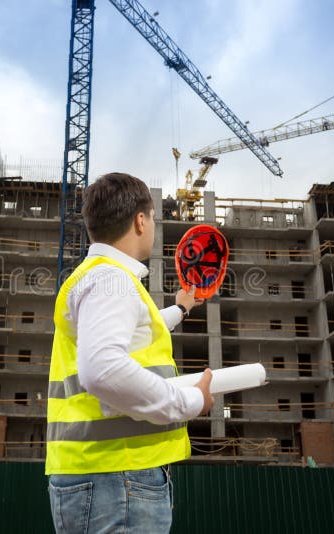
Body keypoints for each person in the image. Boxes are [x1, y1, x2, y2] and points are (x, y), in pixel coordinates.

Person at [46, 172, 214, 533]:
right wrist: (191, 402)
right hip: (117, 479)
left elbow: (137, 331)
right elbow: (102, 369)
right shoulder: (112, 280)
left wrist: (181, 309)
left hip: (102, 474)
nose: (152, 226)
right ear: (140, 221)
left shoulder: (97, 277)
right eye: (152, 218)